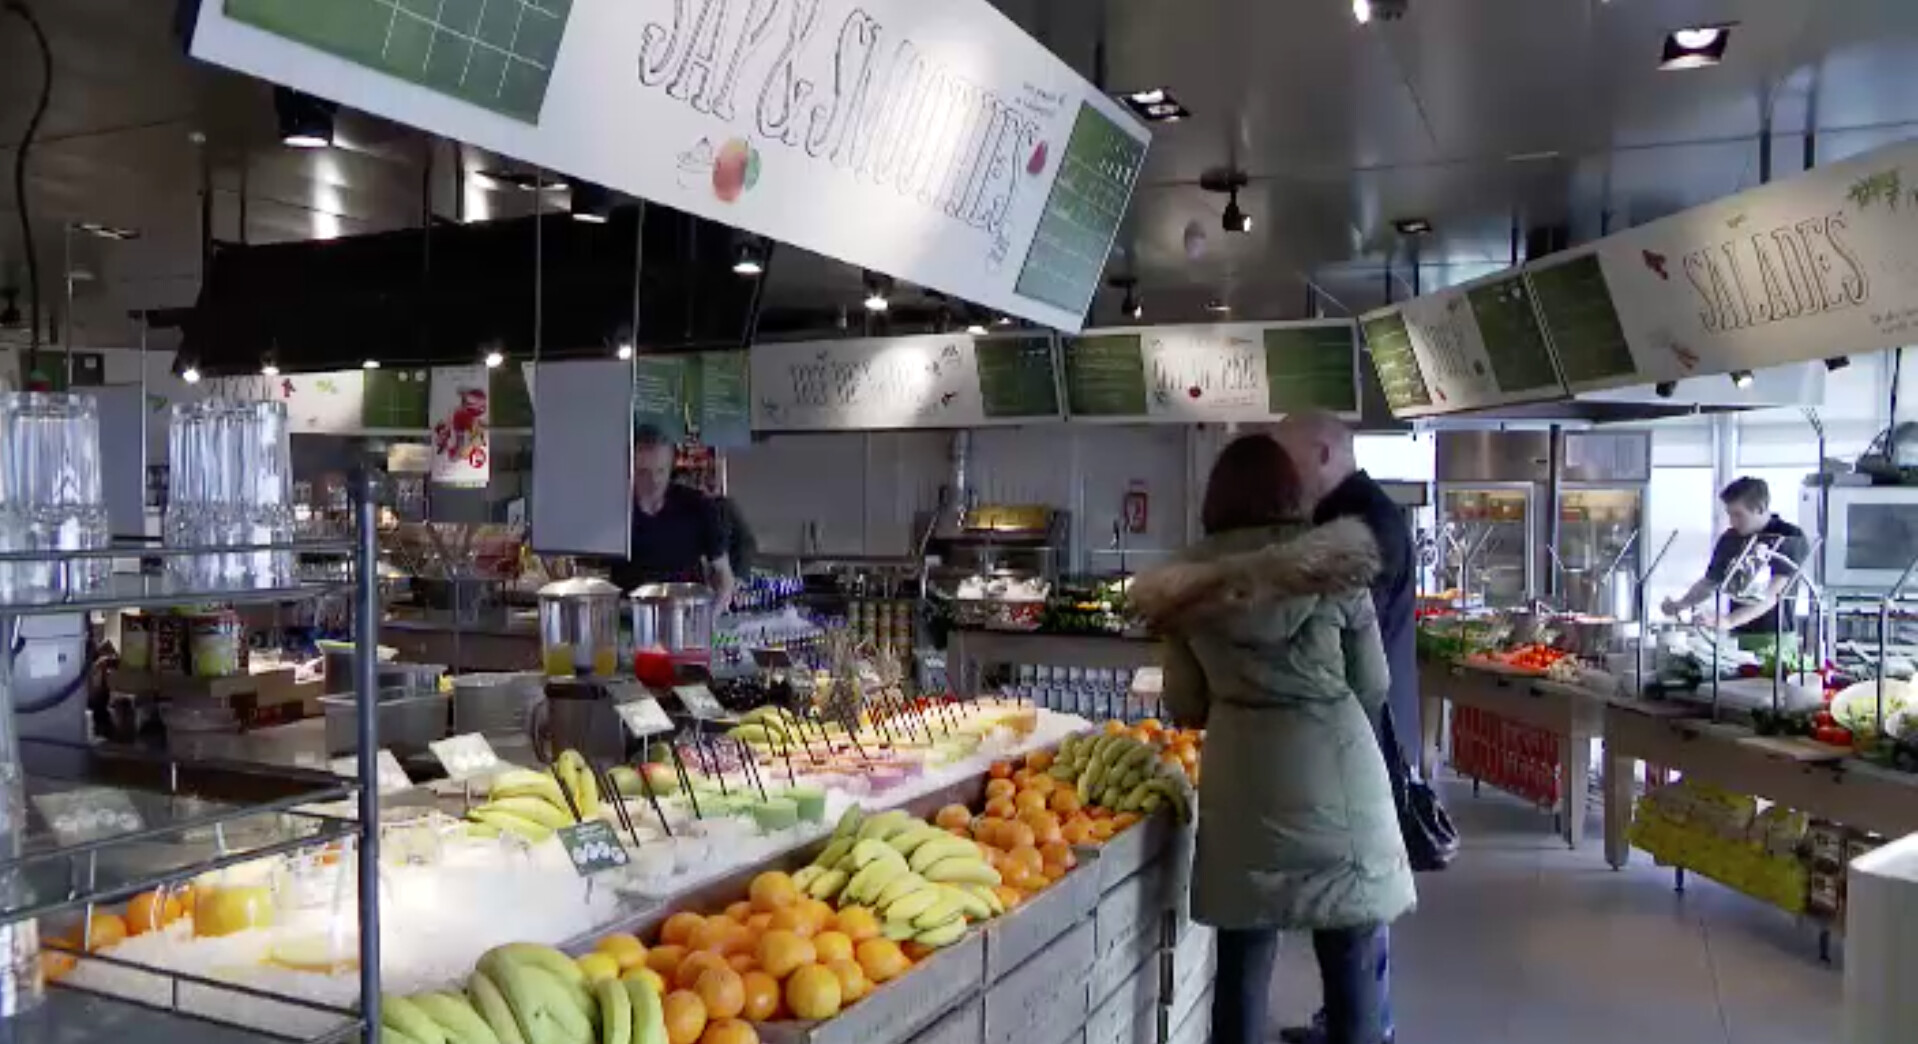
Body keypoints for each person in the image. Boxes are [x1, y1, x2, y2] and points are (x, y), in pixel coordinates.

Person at [1129, 434, 1415, 1044]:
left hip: (1243, 787)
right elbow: (1373, 681)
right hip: (1339, 778)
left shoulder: (1187, 588)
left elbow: (1185, 705)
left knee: (1241, 964)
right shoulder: (1336, 570)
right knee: (1351, 960)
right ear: (1291, 492)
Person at [1273, 411, 1418, 1044]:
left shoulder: (1361, 525)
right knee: (1349, 898)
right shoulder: (1353, 514)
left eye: (1289, 456)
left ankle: (1368, 1026)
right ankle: (1344, 1020)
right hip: (1355, 729)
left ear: (1326, 450)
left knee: (1358, 899)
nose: (1283, 472)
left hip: (1361, 732)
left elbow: (1345, 645)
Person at [1660, 477, 1810, 660]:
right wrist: (1681, 604)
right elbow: (1710, 582)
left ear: (1760, 508)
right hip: (1738, 638)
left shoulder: (1789, 537)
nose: (1732, 522)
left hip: (1775, 638)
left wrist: (1729, 620)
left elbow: (1773, 594)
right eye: (1729, 514)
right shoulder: (1731, 539)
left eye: (1738, 515)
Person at [609, 426, 736, 611]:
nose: (654, 481)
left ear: (671, 466)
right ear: (629, 468)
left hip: (684, 617)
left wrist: (709, 620)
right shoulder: (614, 510)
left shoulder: (698, 507)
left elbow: (723, 575)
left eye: (661, 471)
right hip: (627, 619)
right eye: (644, 472)